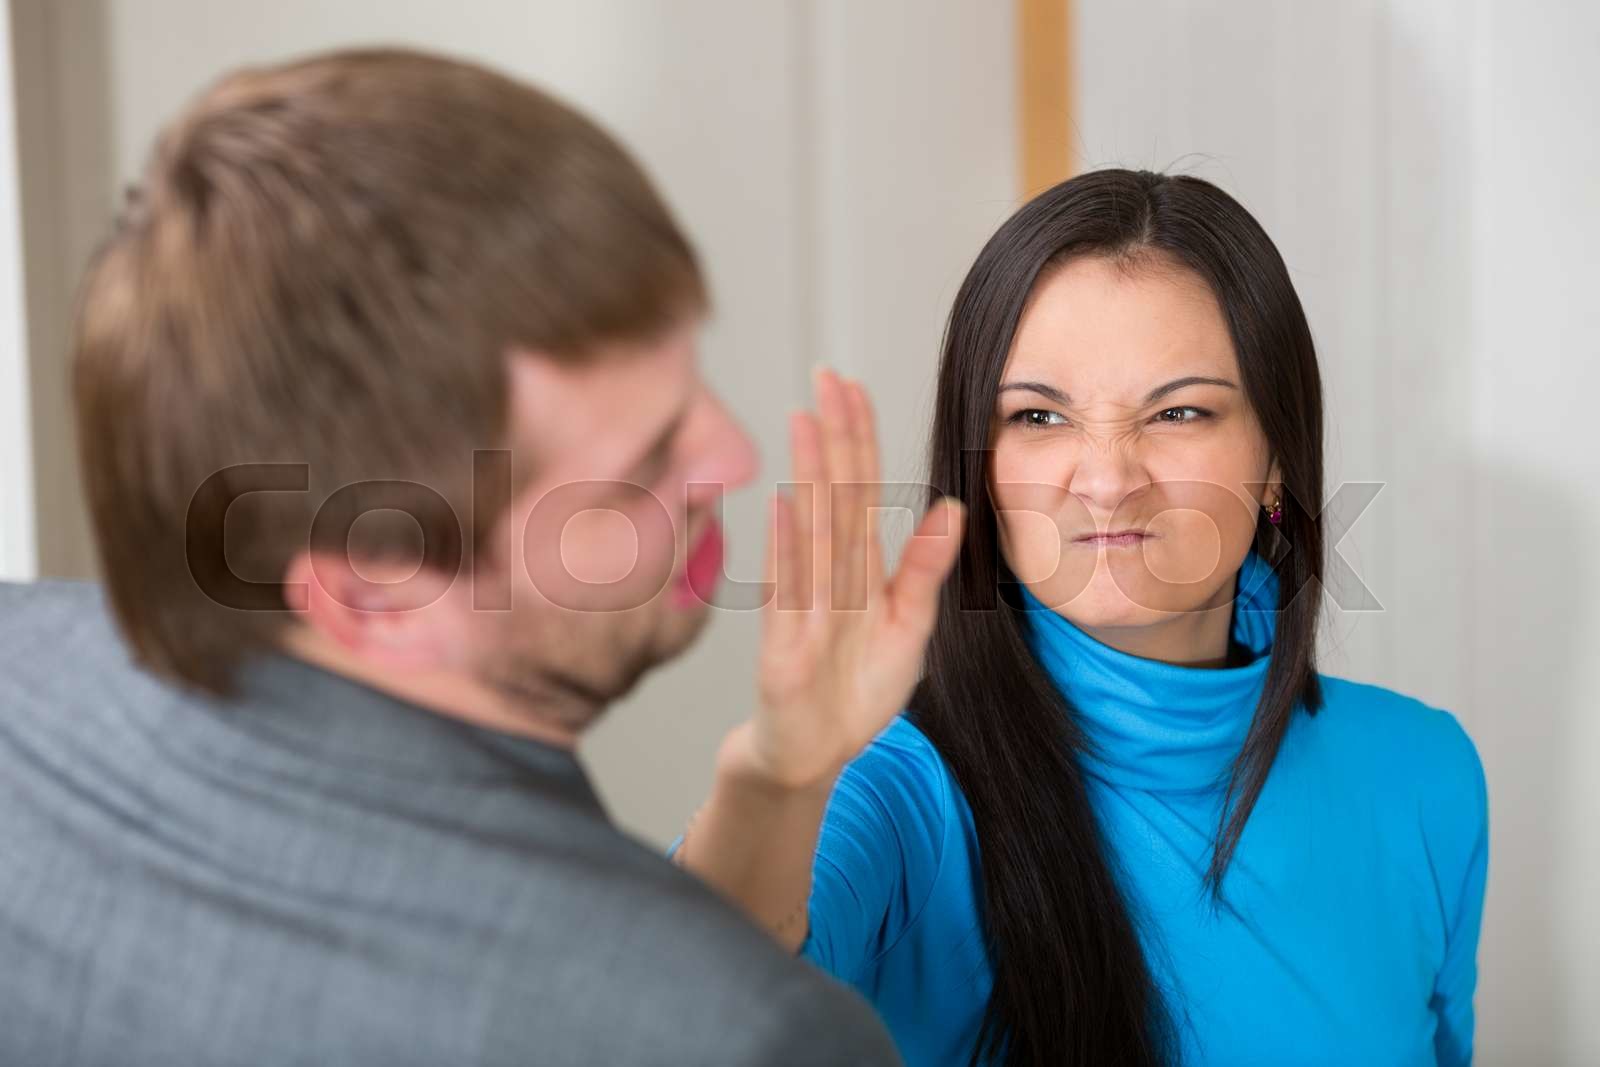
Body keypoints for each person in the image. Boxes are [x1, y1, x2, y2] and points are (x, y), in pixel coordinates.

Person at [0, 48, 922, 1066]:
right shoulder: (752, 1032)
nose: (735, 454)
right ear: (372, 588)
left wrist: (781, 777)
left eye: (688, 381)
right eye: (643, 460)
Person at [675, 170, 1490, 1066]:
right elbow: (675, 1005)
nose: (1106, 478)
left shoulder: (1424, 773)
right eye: (1038, 416)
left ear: (1275, 463)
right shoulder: (901, 793)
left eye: (1179, 410)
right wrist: (778, 779)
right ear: (981, 468)